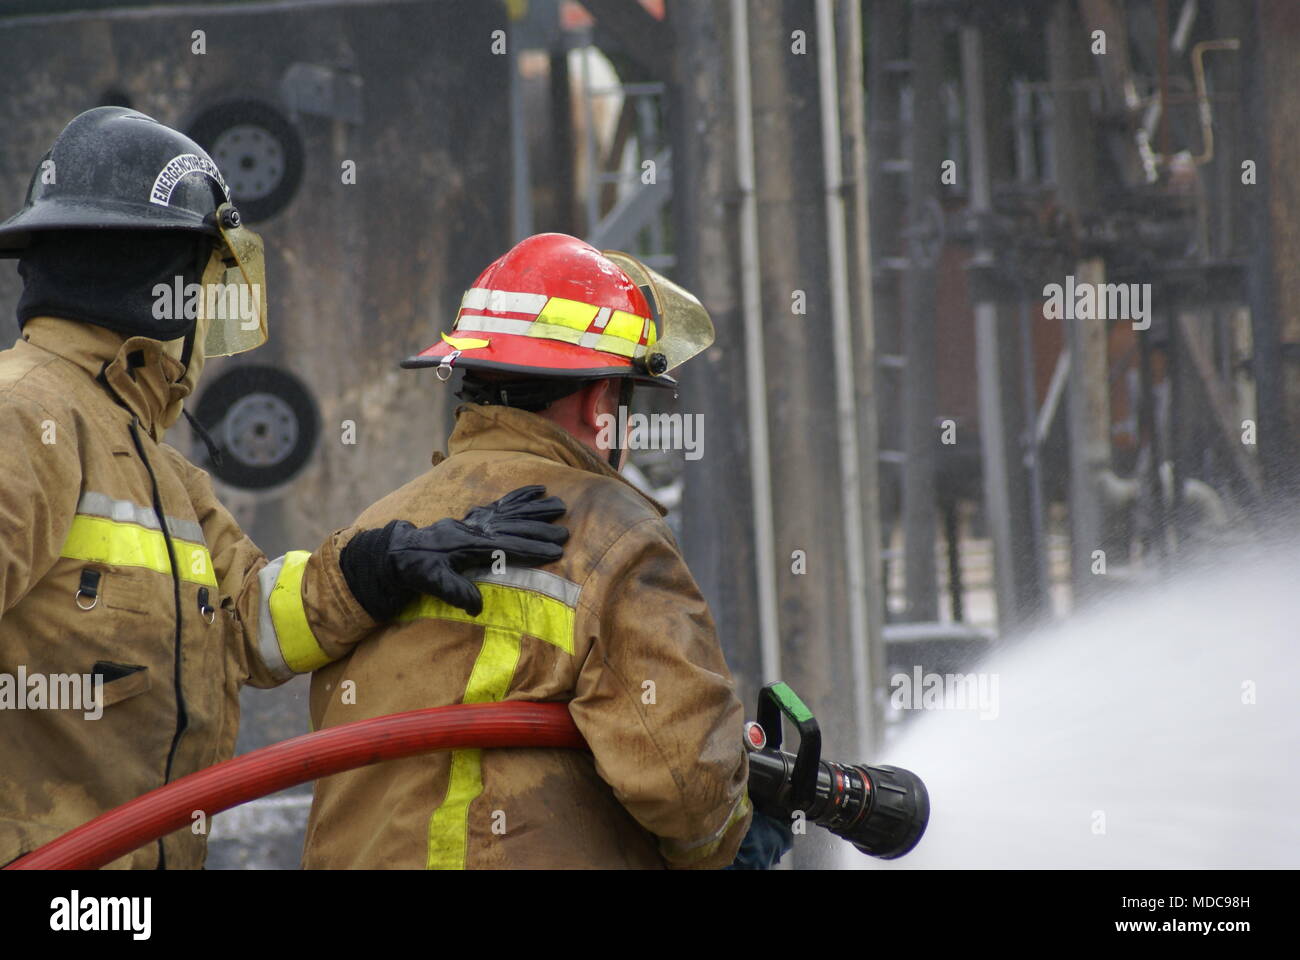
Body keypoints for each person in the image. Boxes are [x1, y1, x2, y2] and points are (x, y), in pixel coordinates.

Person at [0, 108, 568, 869]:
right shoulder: (25, 415)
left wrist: (379, 566)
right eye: (205, 280)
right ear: (163, 280)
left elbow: (244, 620)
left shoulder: (156, 468)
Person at [302, 232, 782, 869]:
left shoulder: (377, 532)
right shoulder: (616, 537)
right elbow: (686, 793)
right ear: (599, 401)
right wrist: (746, 821)